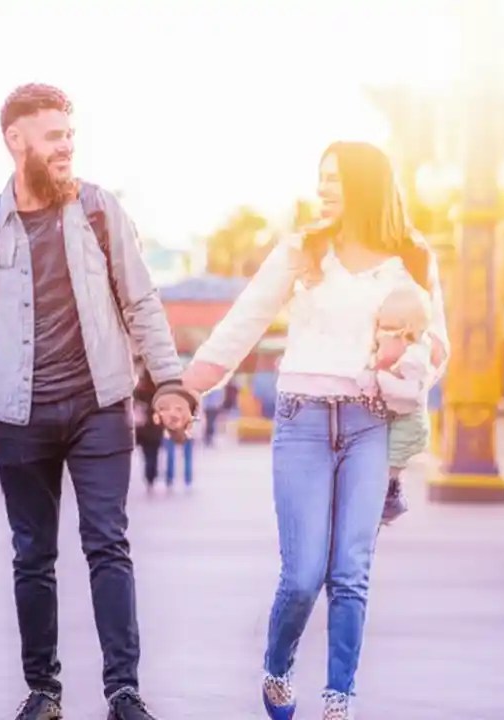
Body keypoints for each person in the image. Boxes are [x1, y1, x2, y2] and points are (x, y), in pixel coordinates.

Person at [0, 83, 195, 720]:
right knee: (33, 555)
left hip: (99, 406)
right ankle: (43, 691)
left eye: (70, 136)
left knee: (108, 542)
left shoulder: (101, 211)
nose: (66, 148)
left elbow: (141, 301)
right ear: (16, 140)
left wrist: (169, 382)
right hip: (19, 415)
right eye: (54, 136)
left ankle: (123, 691)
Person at [183, 141, 447, 720]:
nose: (323, 188)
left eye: (334, 177)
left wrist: (403, 365)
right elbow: (245, 320)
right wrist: (188, 385)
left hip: (370, 424)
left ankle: (338, 699)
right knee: (303, 576)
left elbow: (437, 346)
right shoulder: (304, 250)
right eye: (321, 177)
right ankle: (278, 668)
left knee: (350, 571)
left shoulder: (414, 260)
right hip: (302, 417)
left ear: (366, 183)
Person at [362, 283, 435, 524]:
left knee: (390, 464)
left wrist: (381, 379)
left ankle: (391, 501)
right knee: (384, 462)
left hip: (409, 423)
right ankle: (388, 496)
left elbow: (412, 394)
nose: (381, 333)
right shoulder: (402, 351)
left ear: (407, 330)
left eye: (387, 328)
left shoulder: (414, 357)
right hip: (398, 417)